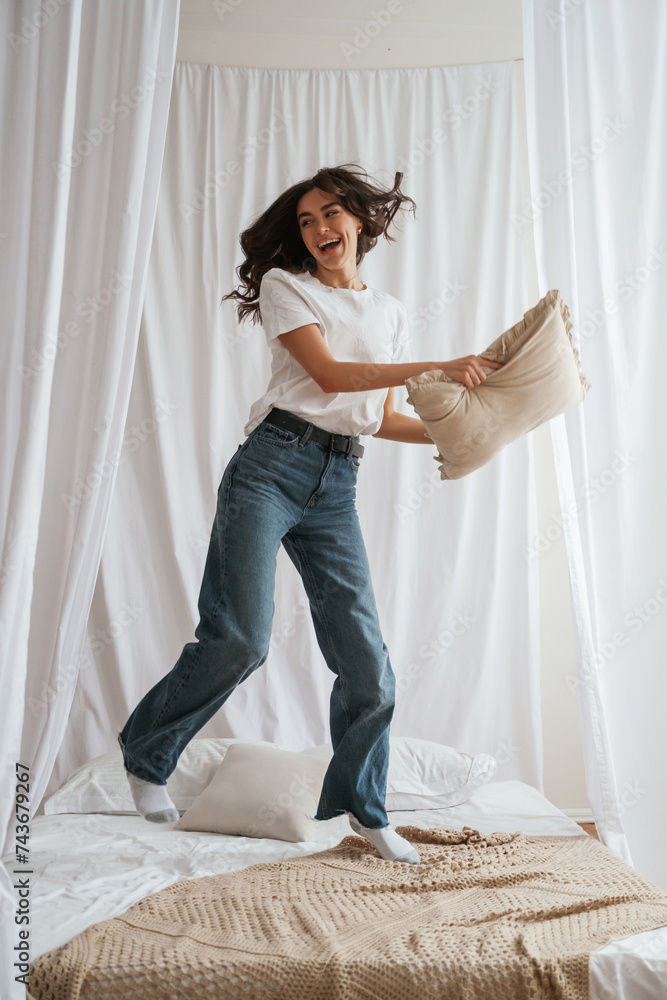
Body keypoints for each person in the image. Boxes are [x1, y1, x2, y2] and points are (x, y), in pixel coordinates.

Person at [117, 163, 503, 864]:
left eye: (331, 214)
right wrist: (439, 367)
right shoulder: (284, 287)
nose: (320, 228)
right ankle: (147, 755)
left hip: (338, 481)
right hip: (270, 467)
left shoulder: (386, 312)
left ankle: (363, 806)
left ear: (359, 220)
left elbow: (377, 416)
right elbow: (330, 378)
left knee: (366, 661)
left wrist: (475, 428)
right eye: (305, 221)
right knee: (239, 639)